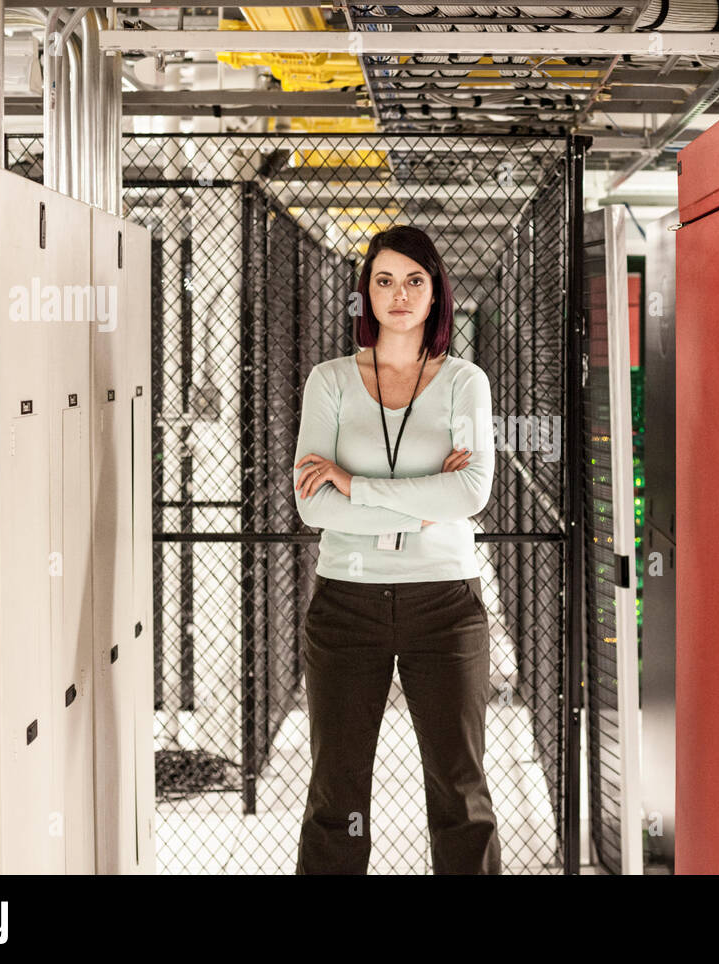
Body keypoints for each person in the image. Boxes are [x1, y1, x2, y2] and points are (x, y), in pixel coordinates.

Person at [291, 224, 501, 875]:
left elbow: (471, 493)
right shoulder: (330, 381)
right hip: (347, 603)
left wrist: (354, 483)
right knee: (336, 793)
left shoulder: (464, 381)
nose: (399, 293)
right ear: (367, 292)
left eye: (414, 280)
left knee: (460, 793)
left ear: (436, 291)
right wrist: (423, 494)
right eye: (384, 279)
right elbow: (310, 503)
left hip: (445, 602)